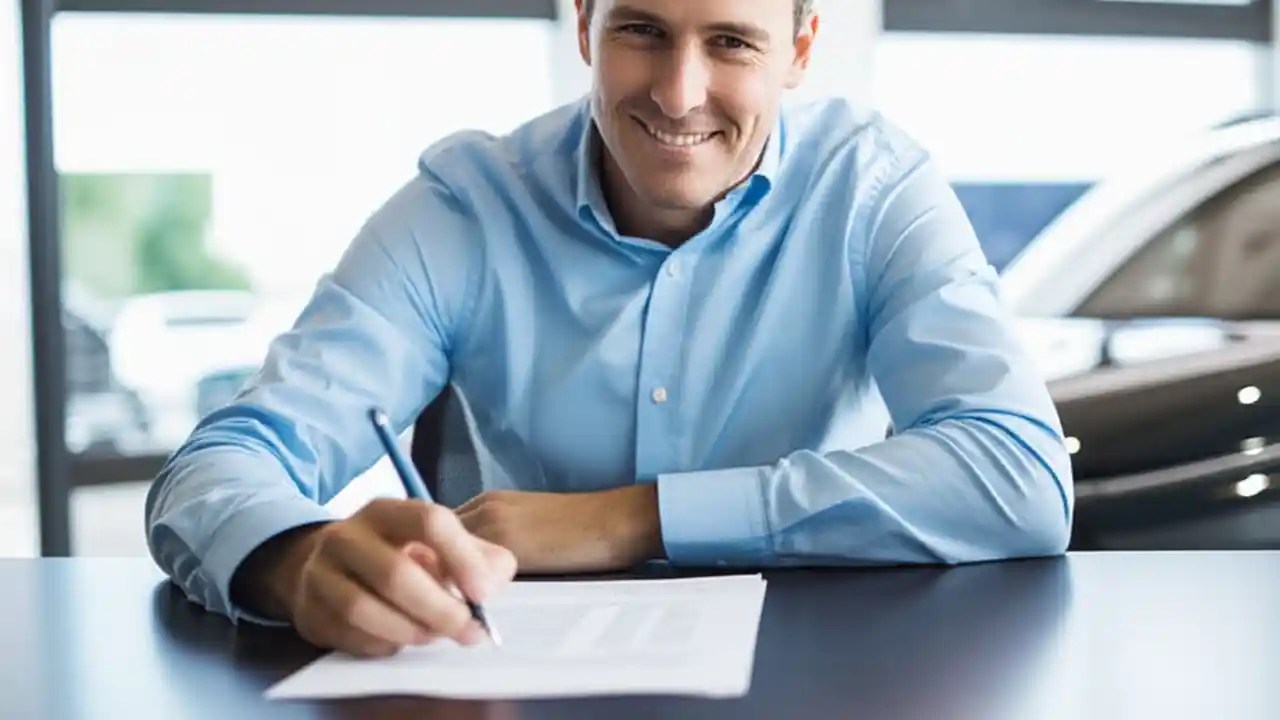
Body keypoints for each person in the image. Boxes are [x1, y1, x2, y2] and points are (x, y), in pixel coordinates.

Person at [145, 0, 1073, 657]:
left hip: (822, 676)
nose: (678, 92)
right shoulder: (465, 209)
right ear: (585, 23)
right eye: (642, 31)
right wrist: (296, 561)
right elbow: (216, 470)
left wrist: (629, 519)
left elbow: (1020, 474)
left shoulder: (874, 191)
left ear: (799, 50)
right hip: (520, 673)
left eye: (732, 43)